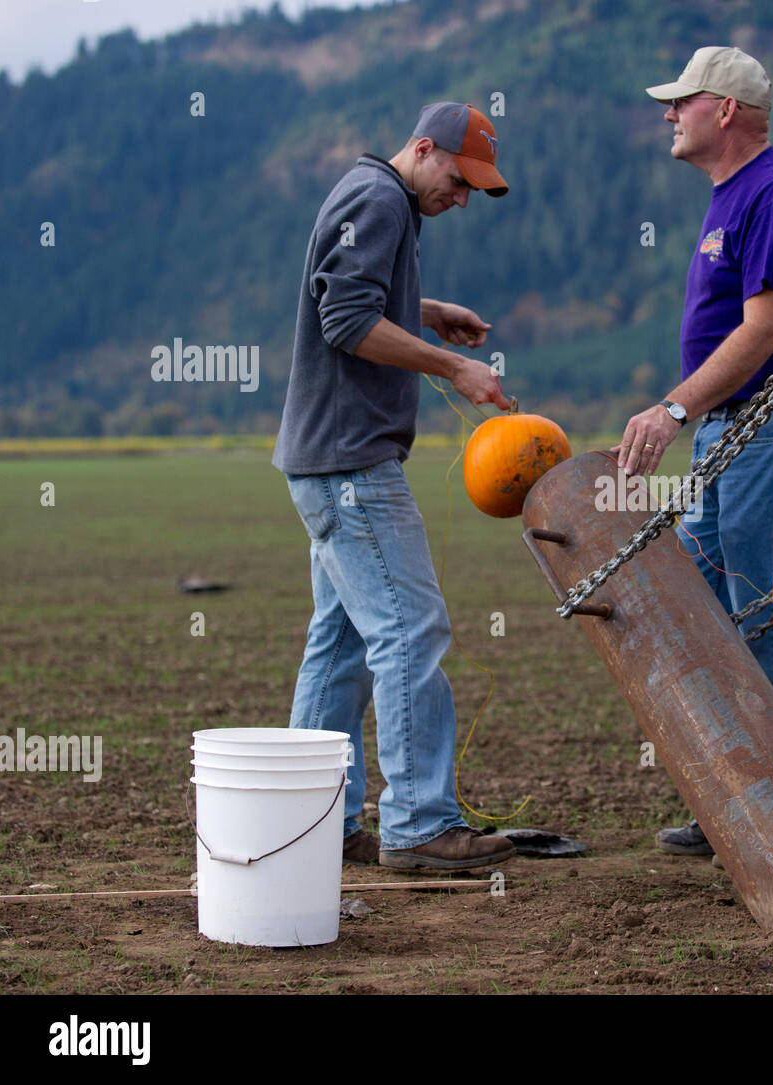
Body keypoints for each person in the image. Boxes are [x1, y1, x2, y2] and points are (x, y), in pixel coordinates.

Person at [614, 47, 773, 857]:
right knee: (704, 610)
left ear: (722, 108)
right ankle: (742, 806)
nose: (667, 114)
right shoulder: (736, 196)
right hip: (734, 435)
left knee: (767, 620)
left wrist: (675, 406)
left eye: (680, 101)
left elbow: (766, 329)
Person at [272, 102, 516, 872]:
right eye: (459, 176)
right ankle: (418, 824)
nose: (463, 196)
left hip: (322, 461)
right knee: (410, 630)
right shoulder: (379, 198)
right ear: (421, 148)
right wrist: (455, 367)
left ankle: (314, 820)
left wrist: (428, 311)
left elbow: (347, 298)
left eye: (477, 187)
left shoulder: (377, 196)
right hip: (351, 465)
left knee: (341, 645)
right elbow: (344, 319)